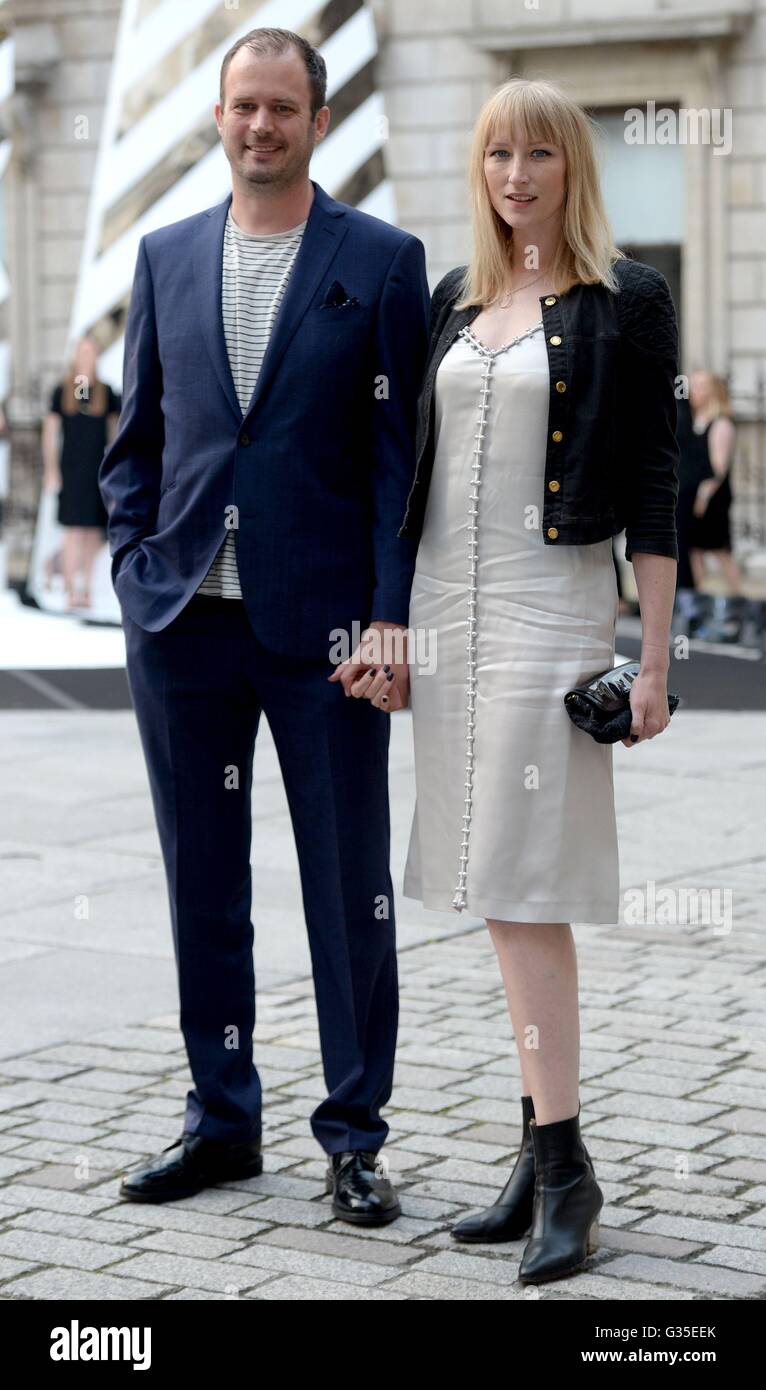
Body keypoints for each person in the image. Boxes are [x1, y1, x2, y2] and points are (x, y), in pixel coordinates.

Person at [99, 27, 429, 1223]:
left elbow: (400, 472)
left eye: (282, 107)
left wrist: (389, 622)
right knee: (204, 881)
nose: (260, 126)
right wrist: (136, 566)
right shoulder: (164, 256)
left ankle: (352, 1136)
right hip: (184, 621)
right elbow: (135, 436)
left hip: (329, 634)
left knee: (348, 891)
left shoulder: (381, 261)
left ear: (317, 120)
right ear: (219, 117)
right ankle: (220, 1118)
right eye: (243, 105)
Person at [354, 77, 680, 1284]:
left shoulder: (626, 301)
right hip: (446, 608)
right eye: (499, 155)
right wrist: (390, 629)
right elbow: (414, 480)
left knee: (522, 879)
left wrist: (650, 660)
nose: (516, 176)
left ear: (569, 169)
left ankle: (565, 1166)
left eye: (539, 155)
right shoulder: (456, 298)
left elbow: (653, 483)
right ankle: (536, 1149)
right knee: (489, 884)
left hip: (551, 611)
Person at [42, 335, 121, 610]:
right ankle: (70, 588)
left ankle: (86, 587)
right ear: (75, 355)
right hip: (72, 470)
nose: (86, 357)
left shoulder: (106, 393)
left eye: (91, 352)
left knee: (93, 531)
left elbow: (114, 433)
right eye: (82, 352)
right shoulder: (64, 391)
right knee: (73, 530)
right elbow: (51, 434)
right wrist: (51, 470)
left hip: (96, 471)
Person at [686, 370, 741, 594]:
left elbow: (718, 468)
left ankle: (738, 596)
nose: (694, 391)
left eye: (700, 386)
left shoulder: (721, 423)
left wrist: (702, 497)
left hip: (711, 497)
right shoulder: (694, 421)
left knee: (720, 550)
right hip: (693, 495)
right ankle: (699, 598)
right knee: (693, 550)